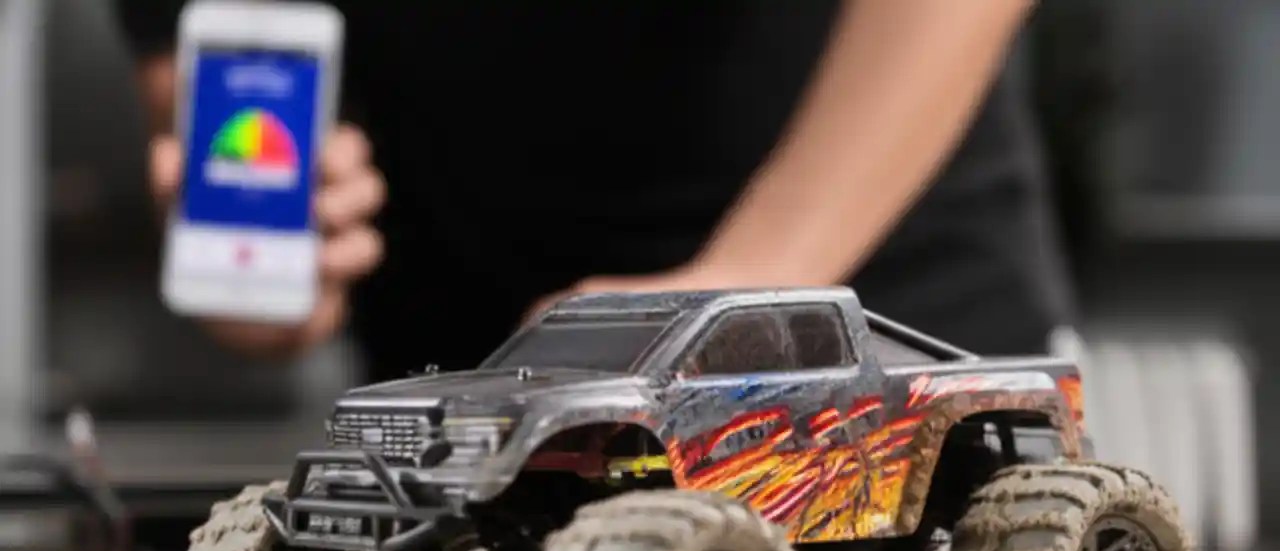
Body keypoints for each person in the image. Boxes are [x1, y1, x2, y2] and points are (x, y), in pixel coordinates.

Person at [112, 0, 1076, 383]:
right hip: (481, 384)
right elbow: (211, 78)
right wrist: (286, 264)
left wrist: (752, 280)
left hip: (883, 339)